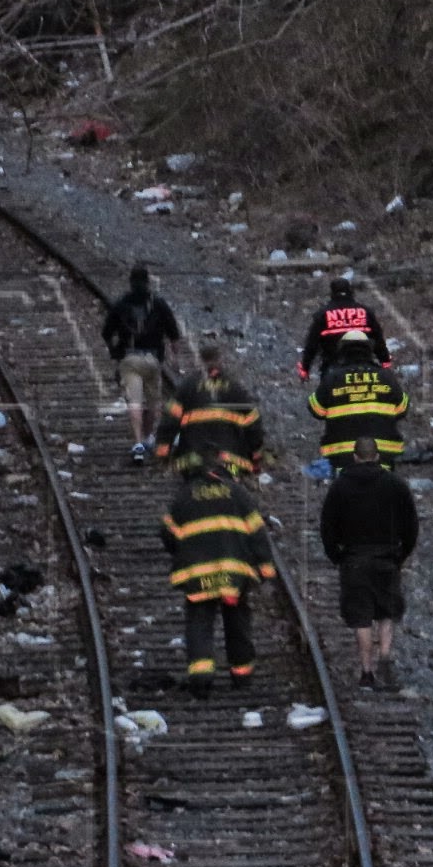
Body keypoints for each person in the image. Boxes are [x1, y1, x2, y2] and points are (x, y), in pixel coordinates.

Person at [159, 455, 276, 698]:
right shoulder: (239, 494)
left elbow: (167, 534)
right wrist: (265, 569)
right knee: (237, 621)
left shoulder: (184, 497)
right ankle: (241, 675)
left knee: (199, 622)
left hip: (197, 574)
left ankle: (202, 678)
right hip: (233, 575)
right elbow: (257, 534)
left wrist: (182, 551)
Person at [320, 437, 419, 690]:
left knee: (361, 616)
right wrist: (401, 554)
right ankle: (385, 654)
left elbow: (327, 527)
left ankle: (366, 672)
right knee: (387, 611)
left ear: (354, 457)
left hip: (353, 559)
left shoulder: (340, 486)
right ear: (377, 457)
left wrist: (336, 556)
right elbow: (411, 525)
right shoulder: (395, 484)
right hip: (387, 558)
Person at [102, 264, 182, 463]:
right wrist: (174, 356)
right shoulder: (158, 304)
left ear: (130, 282)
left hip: (129, 360)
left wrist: (115, 351)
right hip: (153, 360)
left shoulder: (122, 304)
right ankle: (148, 438)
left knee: (135, 402)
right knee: (152, 402)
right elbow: (174, 334)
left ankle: (138, 442)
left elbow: (106, 332)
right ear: (148, 282)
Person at [153, 344, 264, 476]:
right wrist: (255, 459)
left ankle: (194, 489)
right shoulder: (235, 388)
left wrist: (163, 455)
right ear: (219, 359)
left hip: (192, 462)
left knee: (192, 486)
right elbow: (254, 426)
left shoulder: (187, 387)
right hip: (230, 463)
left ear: (199, 360)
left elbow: (169, 423)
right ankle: (232, 481)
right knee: (232, 478)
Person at [308, 330, 409, 469]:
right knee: (383, 487)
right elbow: (402, 408)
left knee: (346, 489)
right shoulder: (385, 377)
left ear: (342, 351)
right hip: (382, 453)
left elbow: (316, 409)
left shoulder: (333, 378)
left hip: (342, 454)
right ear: (369, 350)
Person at [297, 277, 391, 382]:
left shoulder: (322, 315)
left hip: (333, 368)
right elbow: (378, 338)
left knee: (327, 395)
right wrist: (385, 361)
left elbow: (312, 345)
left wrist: (305, 368)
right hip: (364, 366)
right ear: (351, 292)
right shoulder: (366, 312)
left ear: (332, 293)